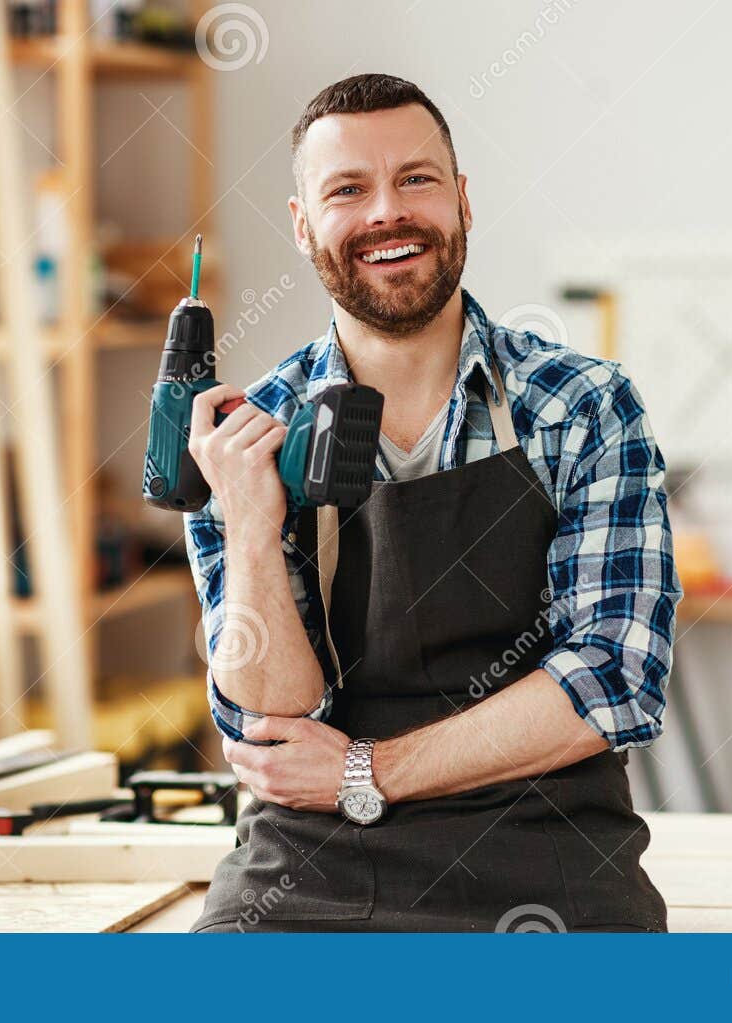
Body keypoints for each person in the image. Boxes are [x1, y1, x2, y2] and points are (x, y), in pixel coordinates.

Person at [183, 73, 681, 932]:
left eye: (416, 179)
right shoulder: (247, 438)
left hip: (544, 845)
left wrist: (367, 769)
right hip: (310, 863)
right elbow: (272, 724)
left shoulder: (581, 405)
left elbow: (612, 677)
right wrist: (254, 526)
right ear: (303, 226)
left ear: (462, 201)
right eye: (348, 189)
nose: (388, 213)